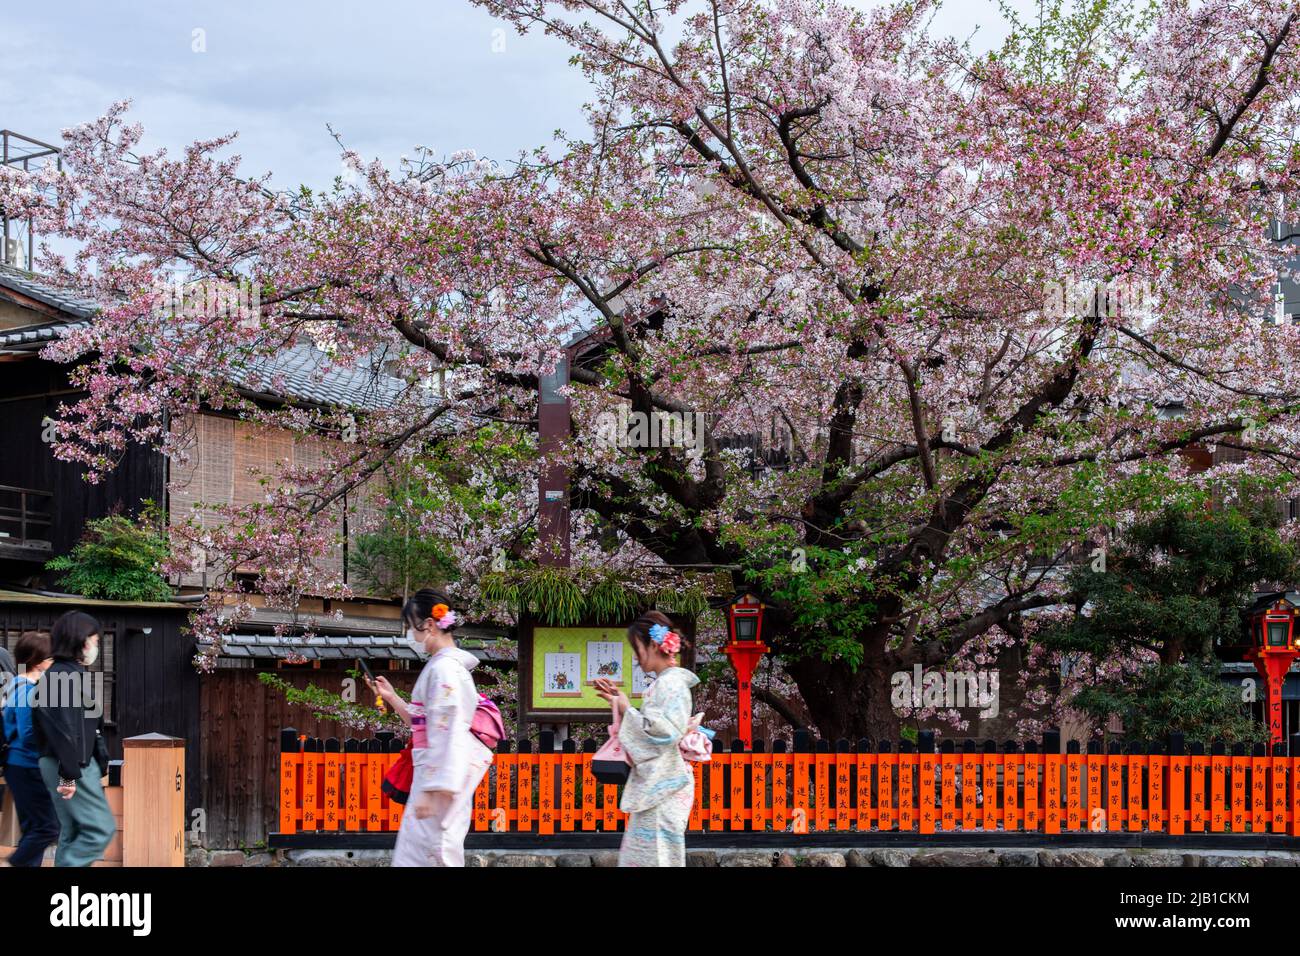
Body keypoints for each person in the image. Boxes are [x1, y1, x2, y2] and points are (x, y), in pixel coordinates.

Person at [368, 589, 492, 867]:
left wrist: (433, 789)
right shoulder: (443, 668)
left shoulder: (444, 670)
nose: (413, 635)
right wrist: (391, 698)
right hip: (434, 781)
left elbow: (448, 732)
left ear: (430, 625)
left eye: (413, 627)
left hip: (438, 785)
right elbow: (424, 723)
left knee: (433, 855)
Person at [593, 610, 699, 867]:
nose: (635, 657)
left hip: (664, 786)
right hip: (661, 784)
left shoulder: (669, 684)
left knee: (655, 858)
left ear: (653, 645)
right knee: (650, 856)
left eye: (637, 647)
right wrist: (621, 705)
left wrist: (627, 709)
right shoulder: (667, 683)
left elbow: (662, 734)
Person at [32, 611, 115, 867]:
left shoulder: (64, 674)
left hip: (65, 761)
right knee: (99, 829)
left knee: (74, 830)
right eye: (95, 640)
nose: (96, 646)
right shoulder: (62, 676)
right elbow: (64, 729)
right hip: (71, 763)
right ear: (80, 641)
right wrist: (69, 774)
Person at [3, 632, 60, 866]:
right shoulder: (29, 691)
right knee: (48, 828)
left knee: (34, 828)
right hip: (28, 764)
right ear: (39, 662)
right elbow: (29, 734)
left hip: (17, 764)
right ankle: (14, 862)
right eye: (51, 657)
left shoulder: (15, 686)